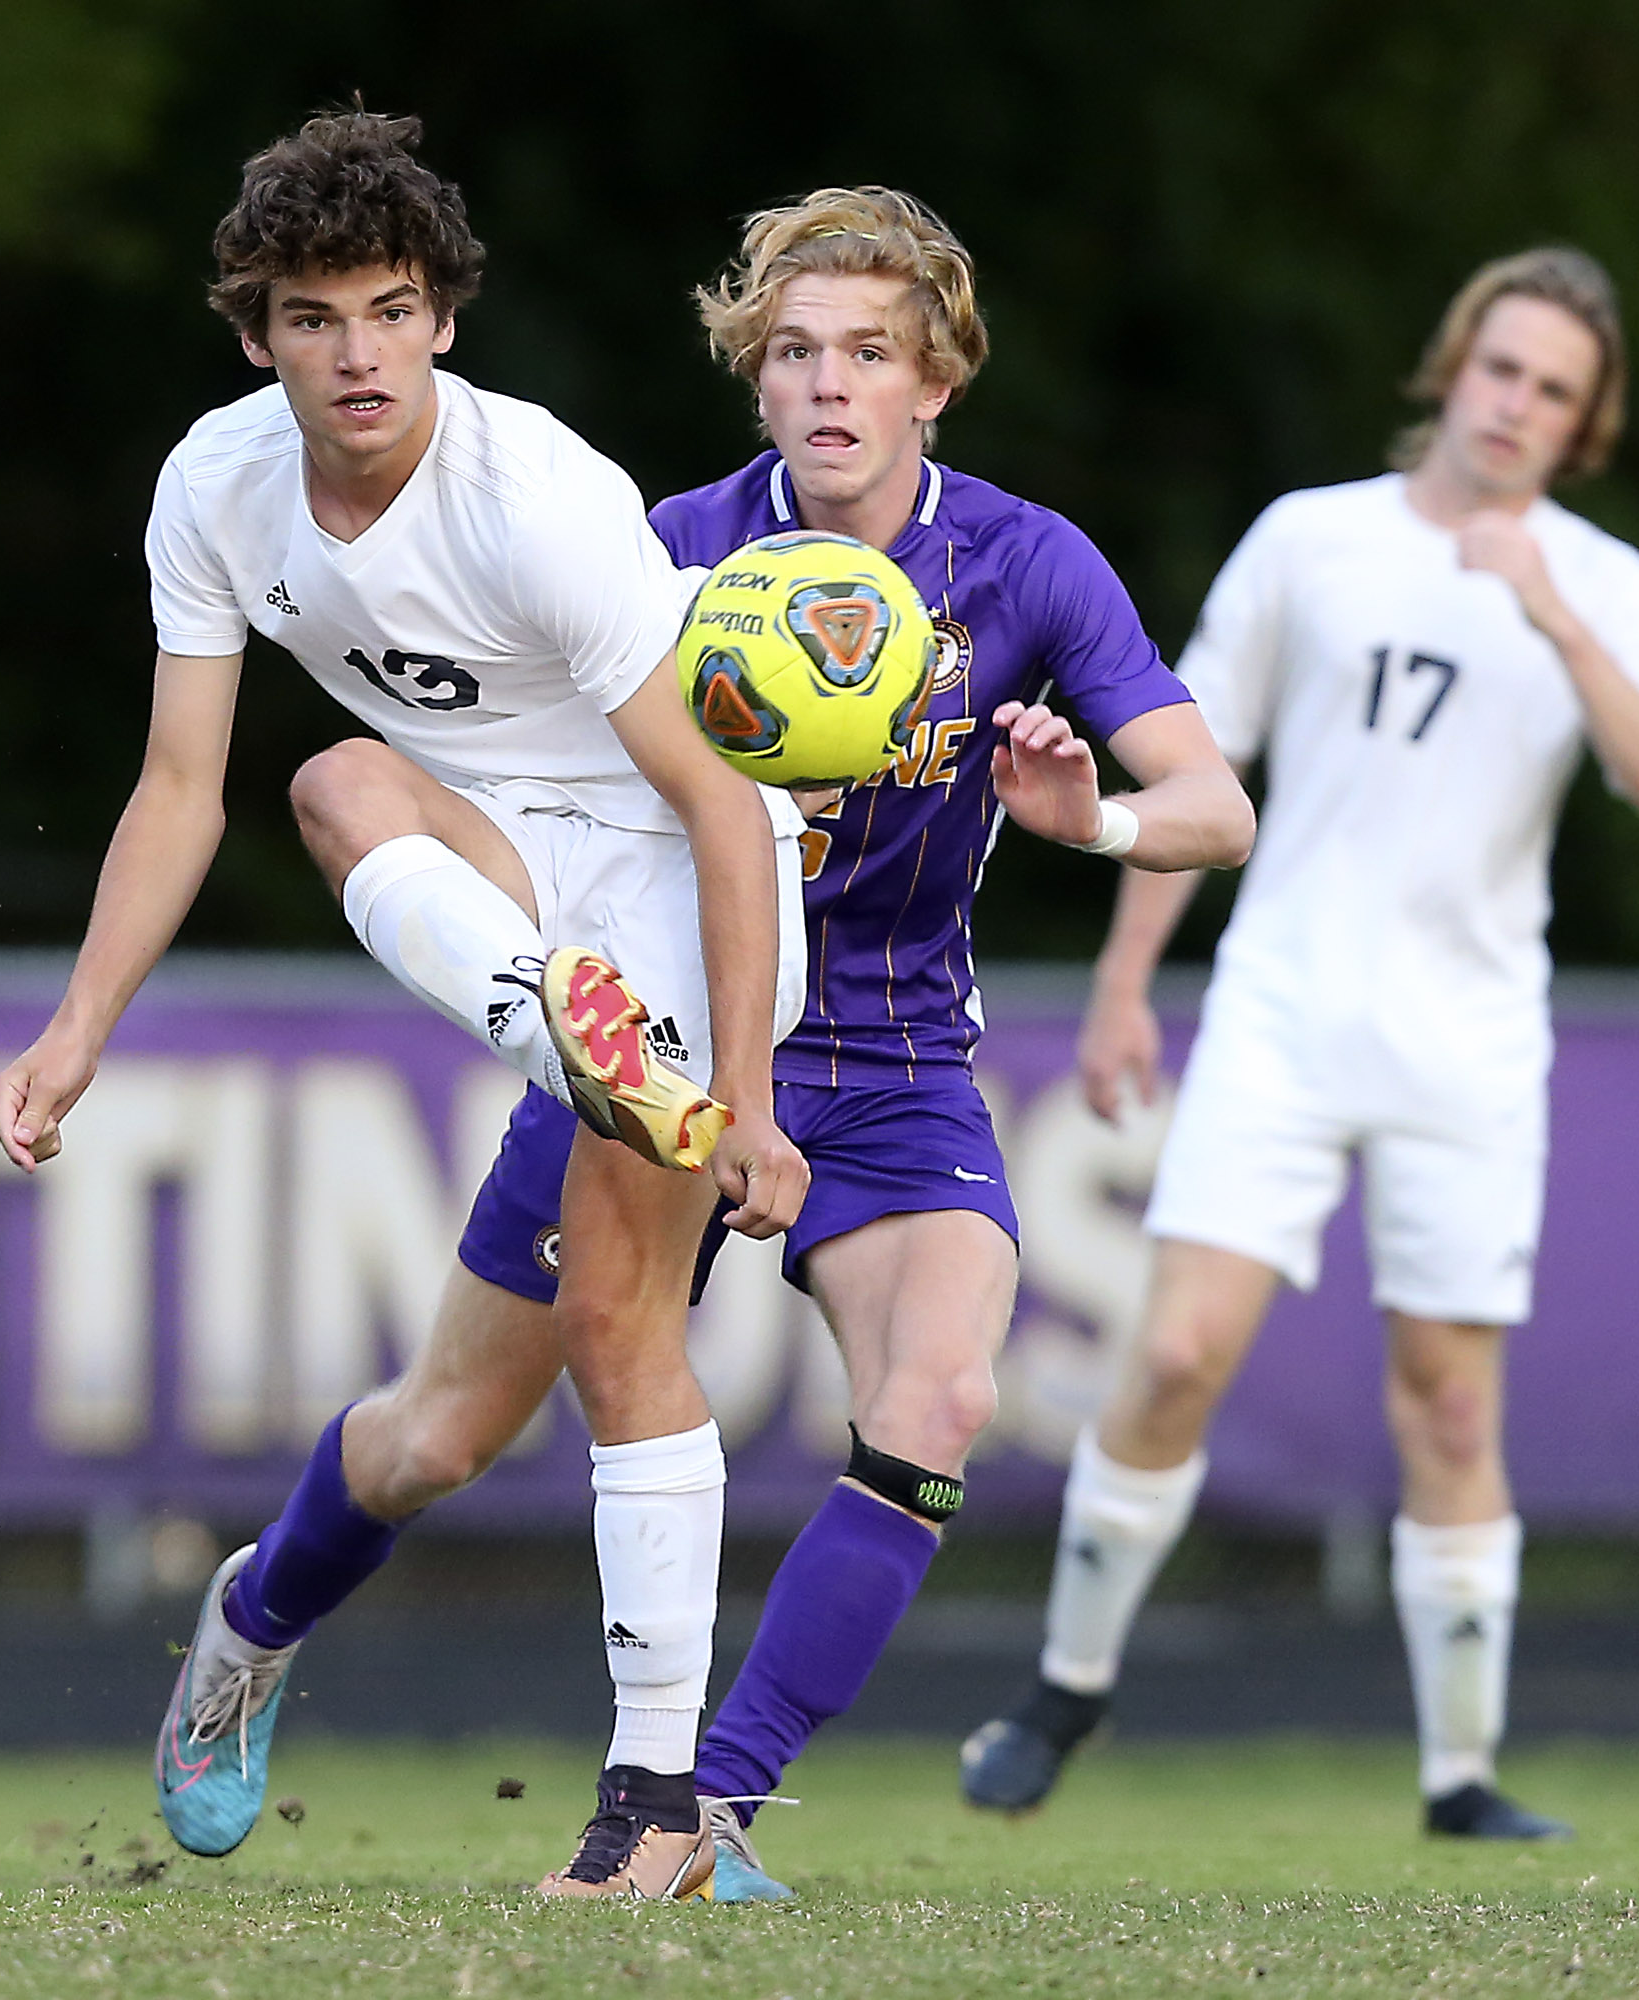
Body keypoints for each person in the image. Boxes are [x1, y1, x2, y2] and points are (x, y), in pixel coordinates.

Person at [167, 185, 1253, 1902]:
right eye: (796, 353)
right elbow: (525, 787)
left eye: (871, 356)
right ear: (756, 380)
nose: (830, 387)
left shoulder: (1028, 564)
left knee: (944, 1395)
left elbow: (1218, 808)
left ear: (936, 383)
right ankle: (251, 1622)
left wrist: (1092, 819)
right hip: (655, 1021)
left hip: (888, 1053)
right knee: (439, 1437)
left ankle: (706, 1804)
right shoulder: (661, 545)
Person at [0, 108, 812, 1889]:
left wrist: (740, 1090)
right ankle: (250, 1629)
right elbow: (177, 789)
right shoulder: (216, 488)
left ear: (443, 316)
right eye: (310, 316)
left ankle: (652, 1809)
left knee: (588, 1349)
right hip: (511, 914)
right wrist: (78, 1030)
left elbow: (726, 810)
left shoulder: (542, 504)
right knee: (334, 782)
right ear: (255, 329)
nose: (354, 351)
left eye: (387, 308)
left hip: (670, 888)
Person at [958, 247, 1639, 1840]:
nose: (1518, 406)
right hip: (1286, 1011)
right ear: (1452, 366)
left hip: (1471, 1040)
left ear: (1586, 426)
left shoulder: (1607, 585)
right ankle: (1067, 1684)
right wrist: (1118, 988)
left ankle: (1461, 1773)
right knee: (1173, 1354)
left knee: (1447, 1402)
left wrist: (1554, 614)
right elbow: (1195, 767)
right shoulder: (1314, 539)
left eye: (1555, 391)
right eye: (1502, 368)